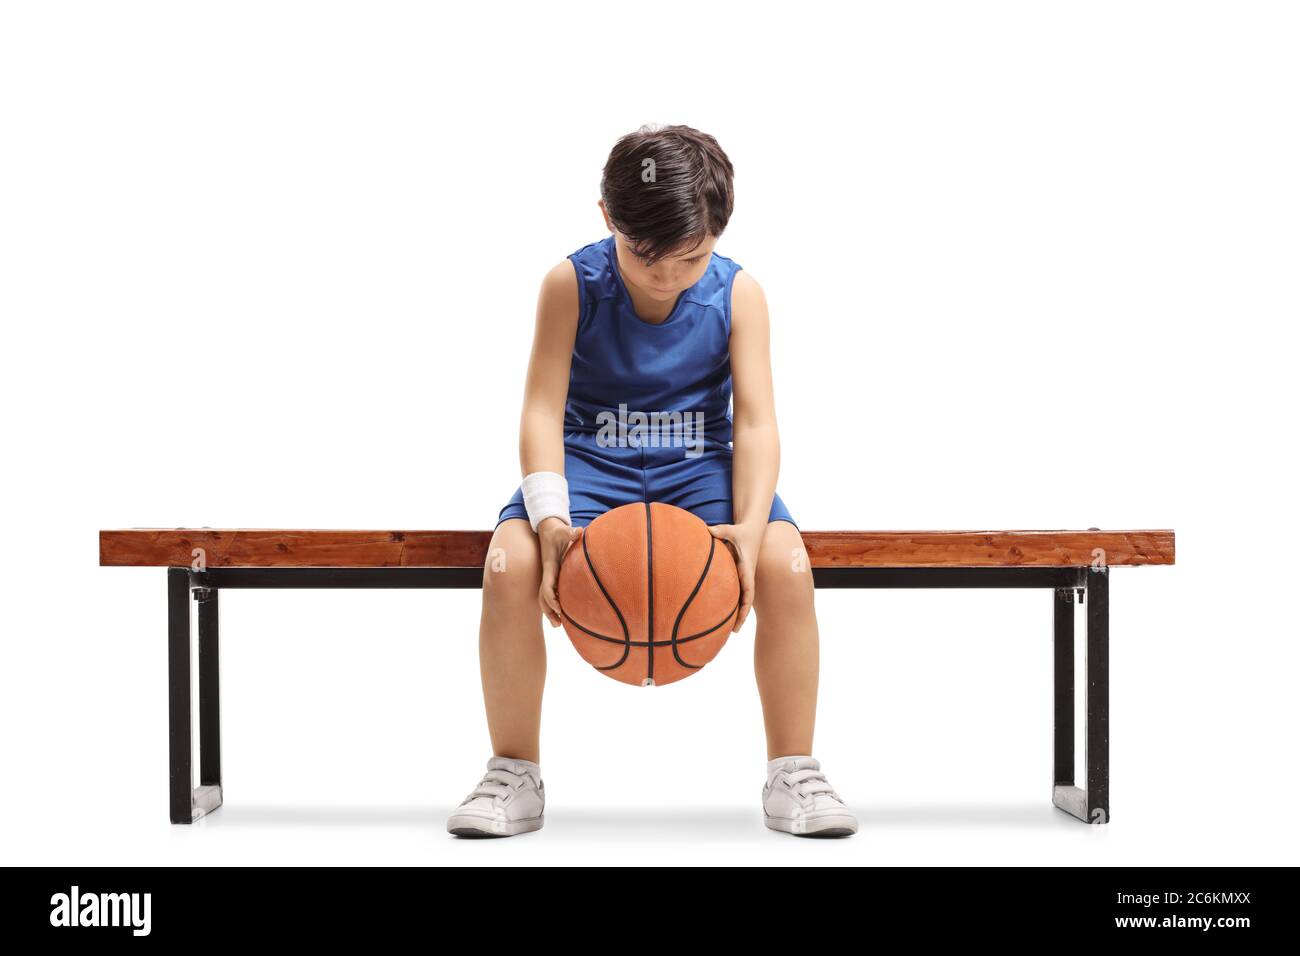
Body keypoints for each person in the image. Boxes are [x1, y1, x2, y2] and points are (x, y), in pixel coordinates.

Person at [447, 124, 857, 838]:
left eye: (690, 258)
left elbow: (757, 424)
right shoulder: (570, 284)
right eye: (645, 256)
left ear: (720, 233)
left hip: (699, 463)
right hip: (590, 460)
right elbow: (541, 408)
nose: (666, 274)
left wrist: (753, 527)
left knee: (787, 565)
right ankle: (513, 772)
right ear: (608, 218)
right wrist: (548, 520)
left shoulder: (740, 295)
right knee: (508, 563)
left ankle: (795, 769)